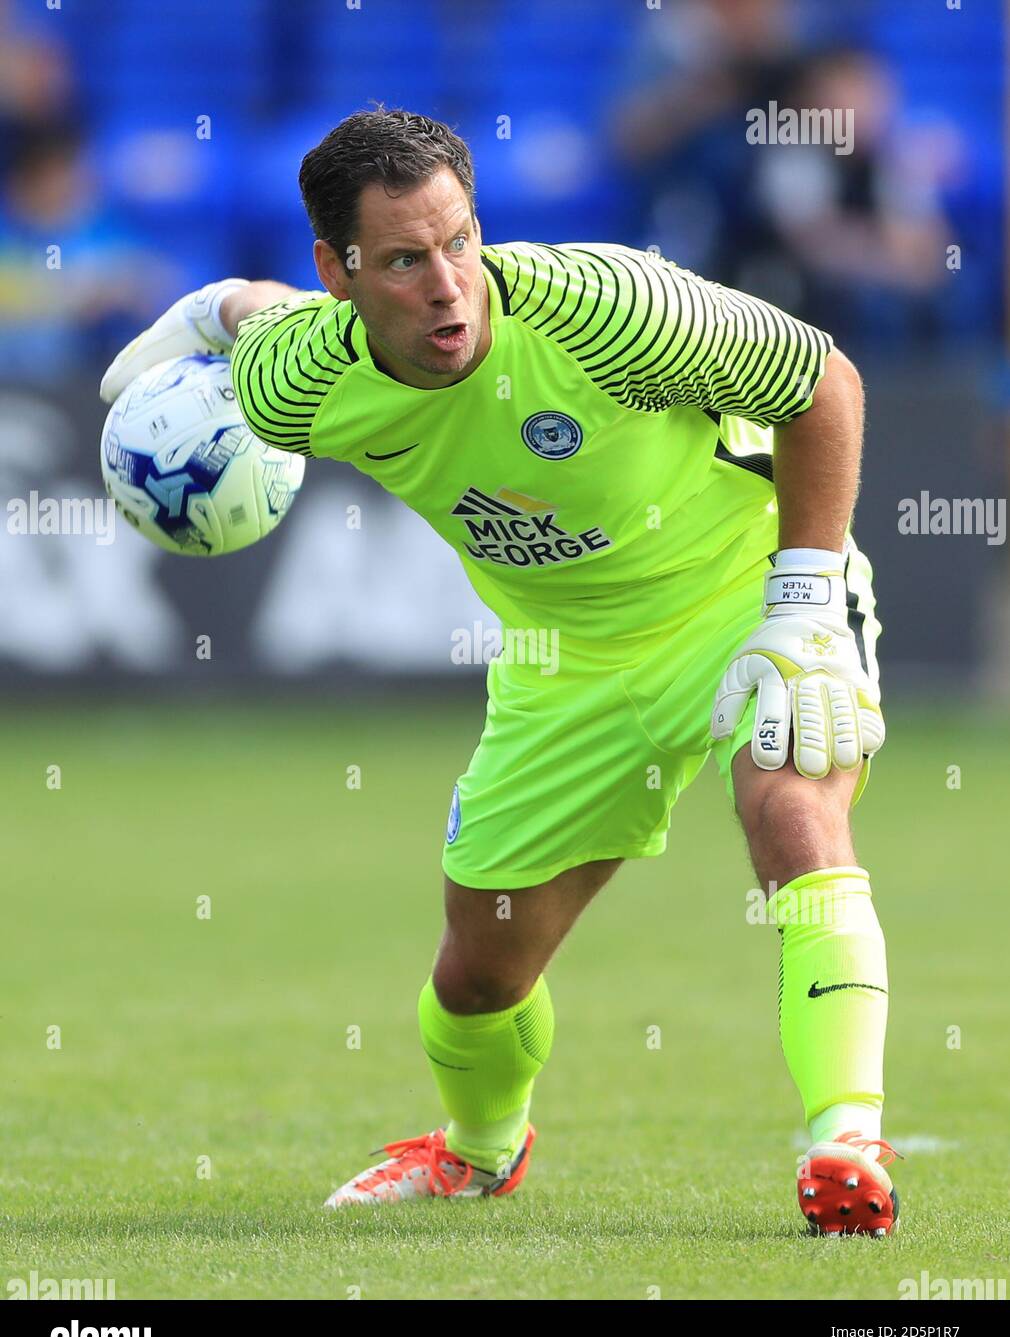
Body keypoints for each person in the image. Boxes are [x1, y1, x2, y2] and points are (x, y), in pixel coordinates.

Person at [100, 106, 901, 1236]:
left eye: (460, 242)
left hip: (745, 594)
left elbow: (821, 383)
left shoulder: (607, 305)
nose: (446, 286)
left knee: (790, 808)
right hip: (561, 661)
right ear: (340, 274)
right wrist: (205, 308)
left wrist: (805, 601)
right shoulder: (295, 384)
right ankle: (479, 1152)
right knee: (478, 973)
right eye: (403, 261)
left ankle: (846, 1147)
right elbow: (263, 319)